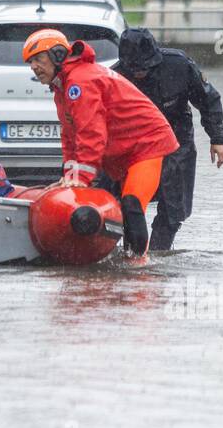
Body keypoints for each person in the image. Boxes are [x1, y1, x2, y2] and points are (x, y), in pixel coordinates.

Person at [23, 28, 178, 258]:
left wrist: (81, 178)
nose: (34, 67)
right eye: (30, 62)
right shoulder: (63, 87)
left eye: (38, 59)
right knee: (122, 209)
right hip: (123, 151)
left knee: (132, 204)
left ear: (57, 55)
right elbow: (70, 137)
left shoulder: (79, 82)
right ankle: (126, 260)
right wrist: (69, 176)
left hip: (146, 146)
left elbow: (91, 134)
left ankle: (138, 268)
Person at [113, 28, 223, 251]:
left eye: (144, 67)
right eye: (134, 69)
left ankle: (158, 252)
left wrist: (217, 138)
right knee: (128, 202)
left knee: (174, 205)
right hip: (136, 144)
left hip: (176, 139)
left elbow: (208, 100)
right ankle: (132, 250)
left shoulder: (179, 66)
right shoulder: (114, 77)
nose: (139, 73)